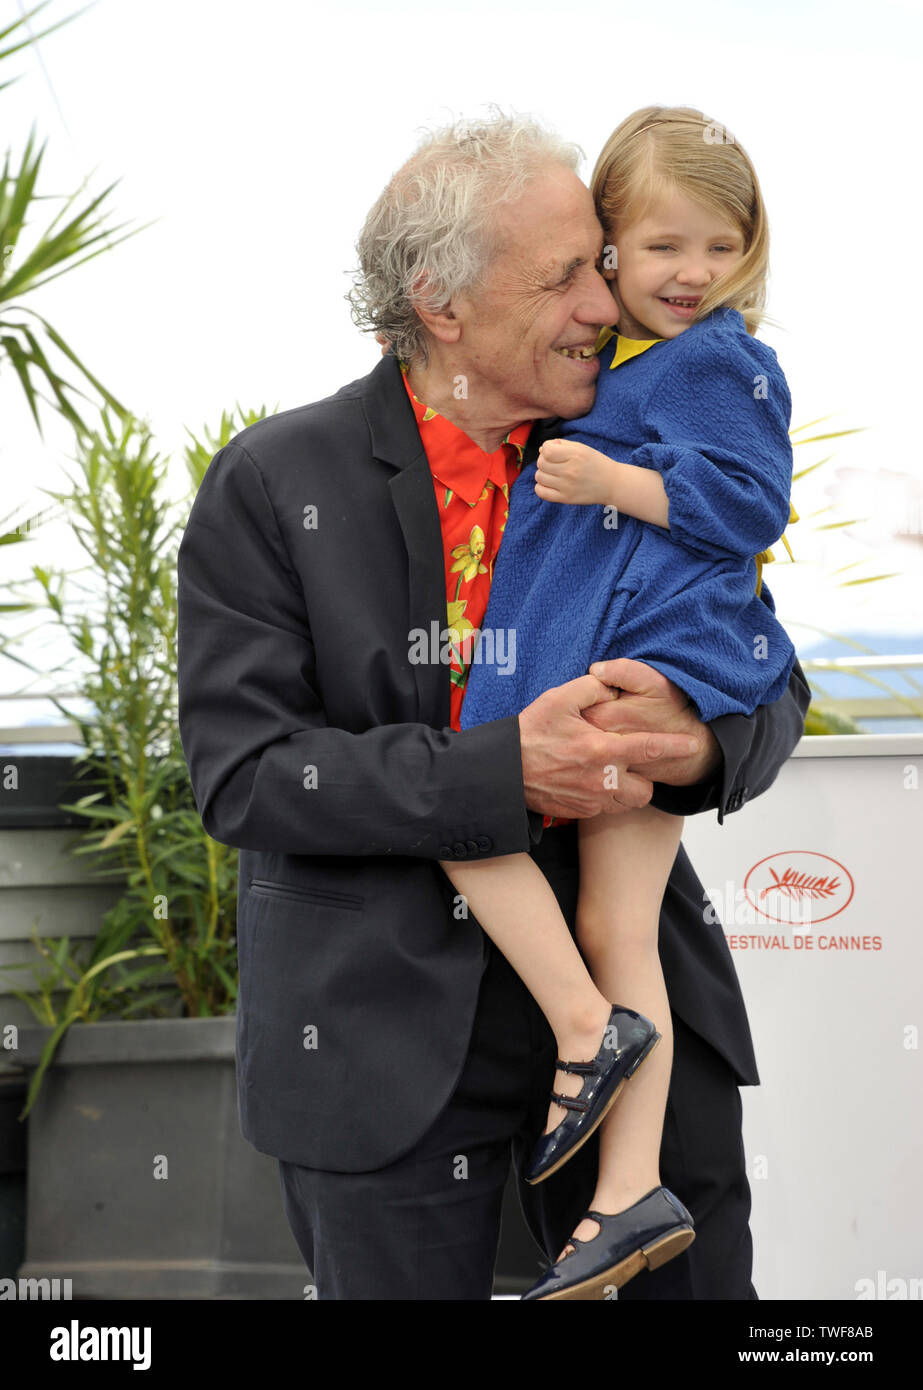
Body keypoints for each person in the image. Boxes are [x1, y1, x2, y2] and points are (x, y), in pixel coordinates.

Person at [175, 111, 811, 1301]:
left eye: (602, 260)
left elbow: (770, 677)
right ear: (442, 302)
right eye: (567, 273)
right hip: (382, 1072)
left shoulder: (638, 440)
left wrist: (703, 739)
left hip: (654, 1068)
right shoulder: (274, 481)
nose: (605, 298)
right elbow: (245, 773)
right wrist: (499, 771)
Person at [449, 106, 797, 1299]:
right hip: (595, 657)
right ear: (607, 255)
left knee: (544, 873)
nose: (691, 272)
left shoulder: (716, 361)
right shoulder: (629, 364)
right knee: (598, 919)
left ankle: (610, 1128)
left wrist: (613, 478)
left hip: (653, 655)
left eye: (717, 244)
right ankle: (616, 1171)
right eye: (660, 248)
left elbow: (748, 510)